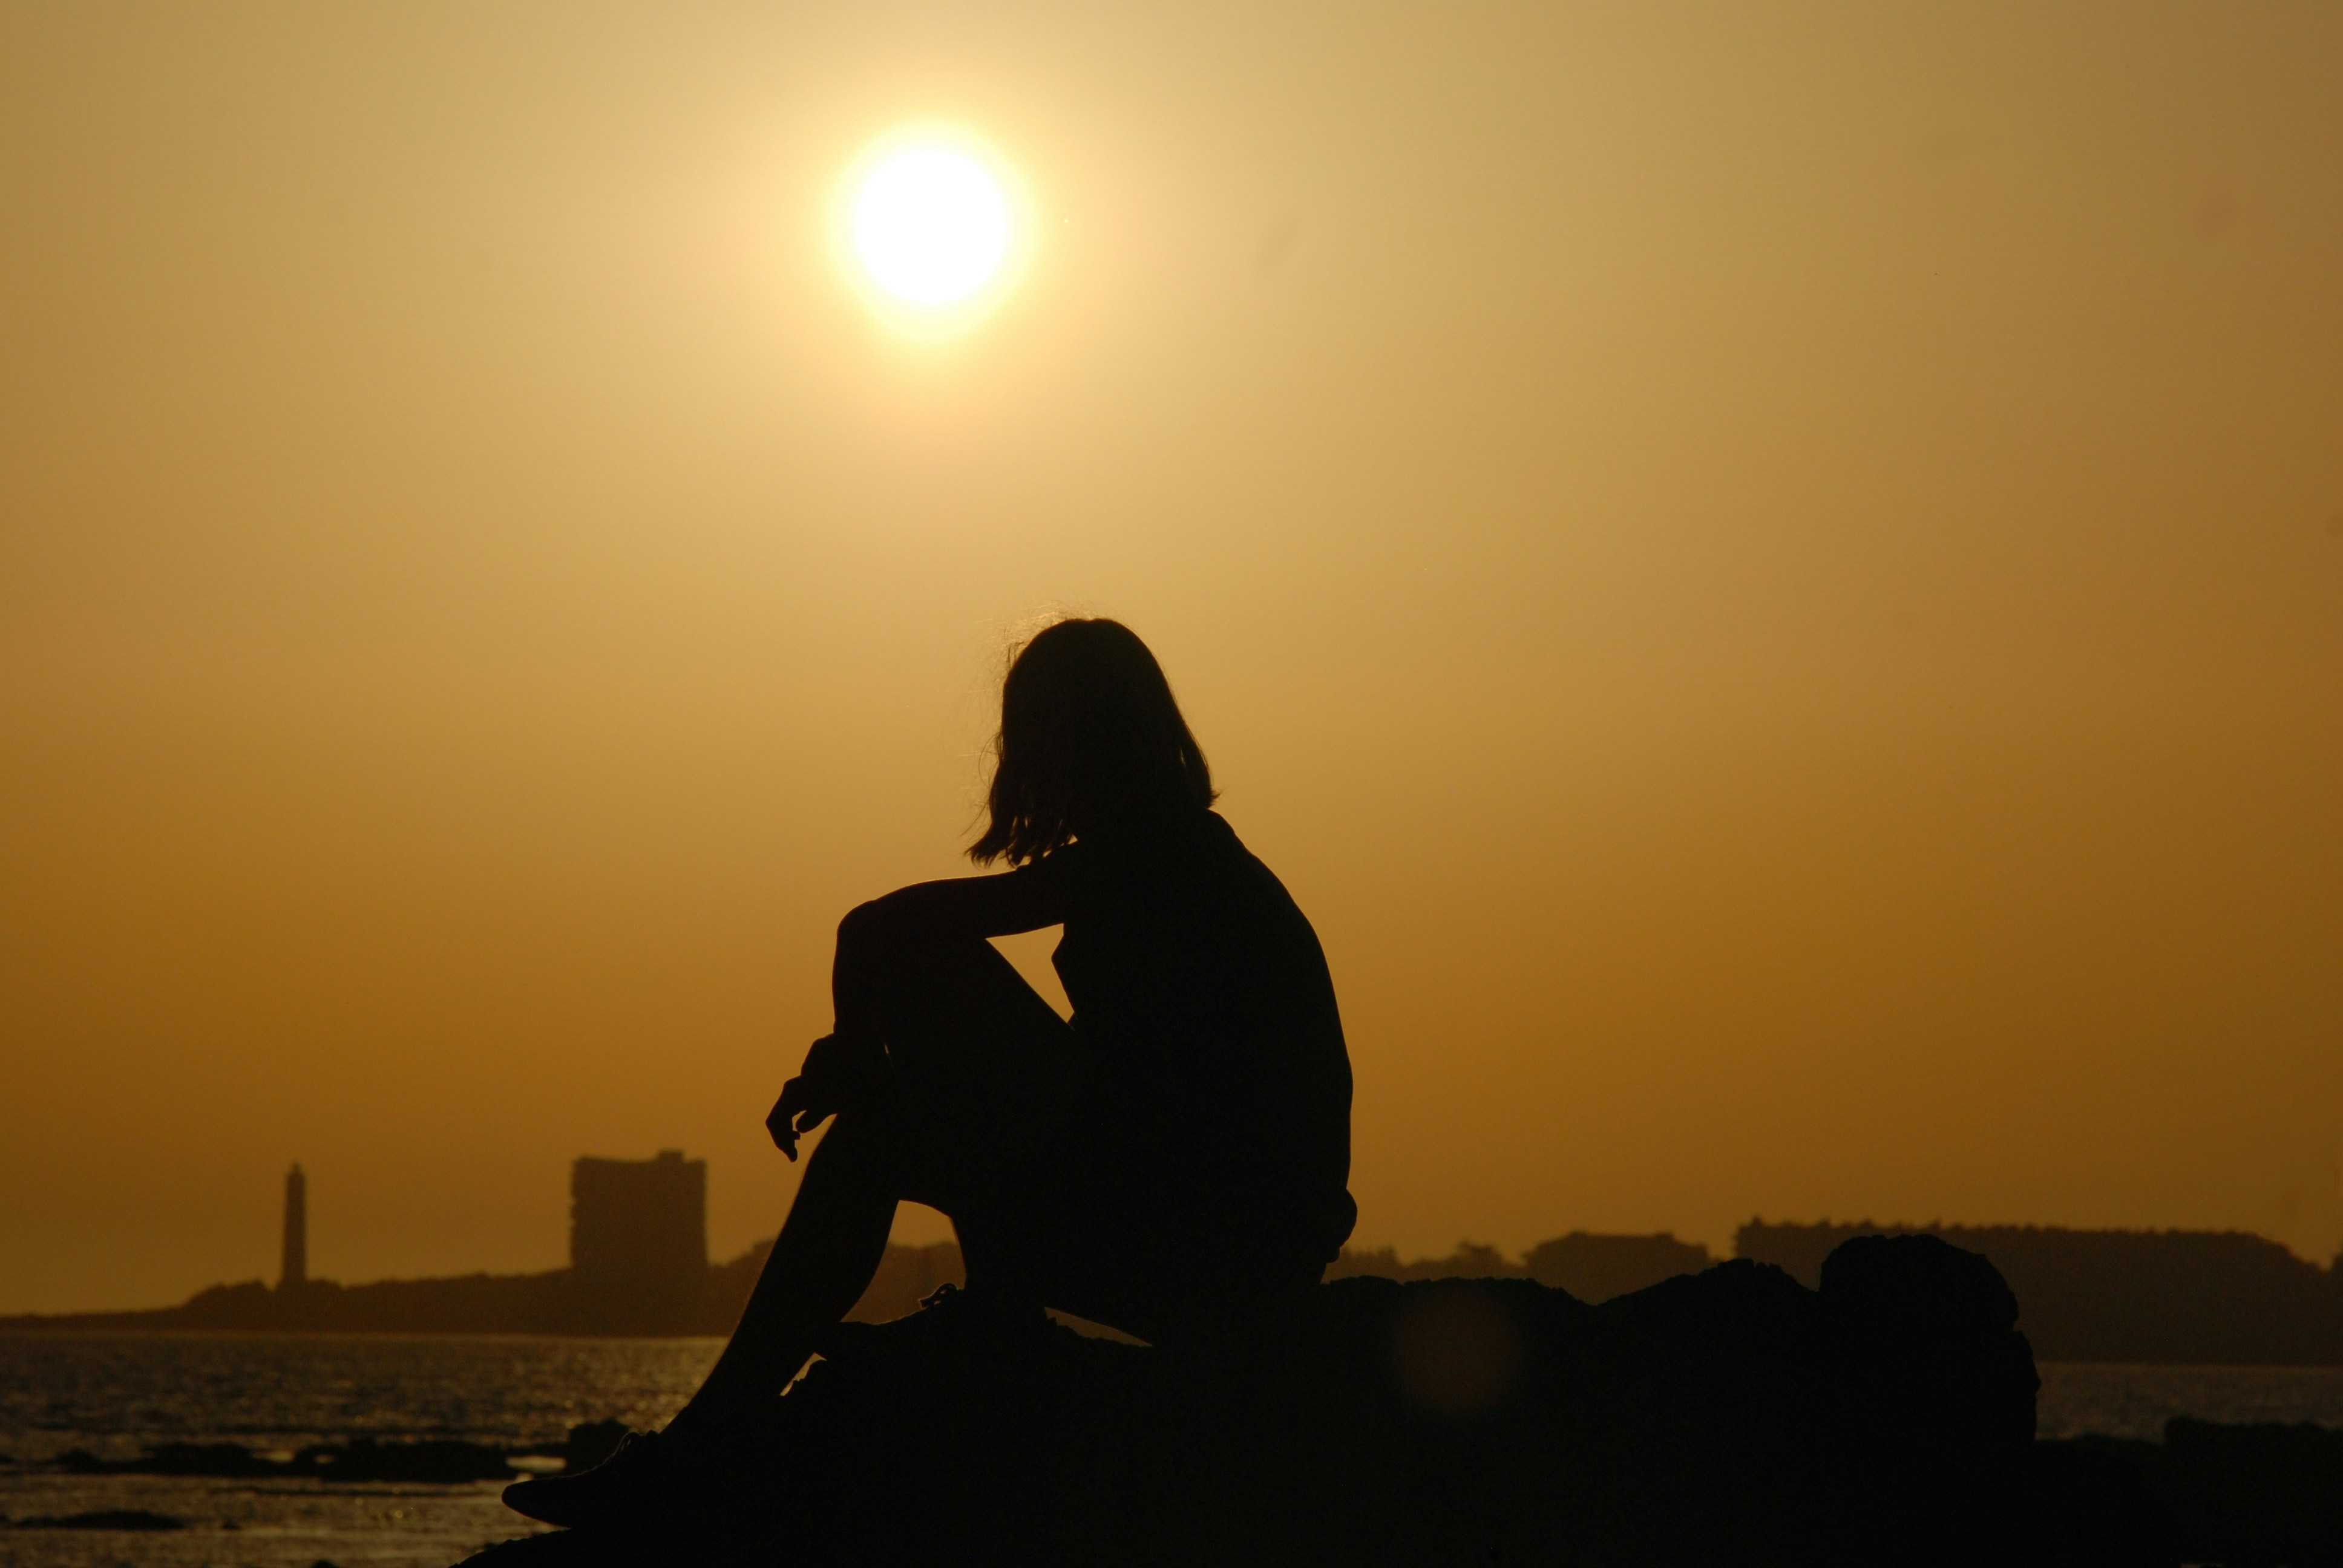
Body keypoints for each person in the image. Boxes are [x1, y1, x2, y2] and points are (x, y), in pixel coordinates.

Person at [506, 618, 1356, 1527]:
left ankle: (751, 1425)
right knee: (876, 1134)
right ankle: (729, 1432)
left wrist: (849, 1053)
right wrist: (873, 1075)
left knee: (914, 1006)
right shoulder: (1170, 860)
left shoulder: (1164, 854)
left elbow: (879, 930)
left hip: (1210, 1248)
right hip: (1195, 1225)